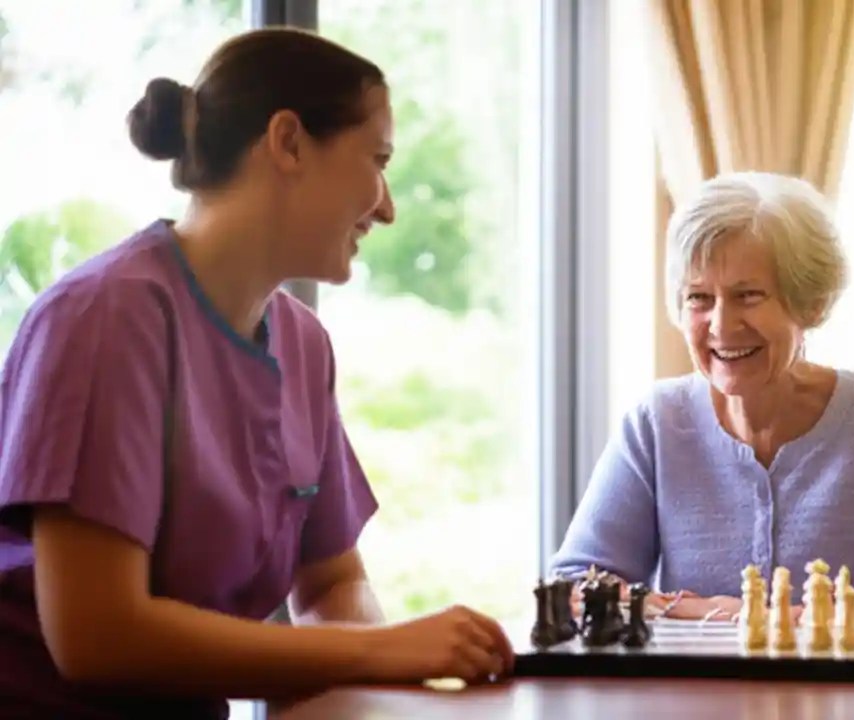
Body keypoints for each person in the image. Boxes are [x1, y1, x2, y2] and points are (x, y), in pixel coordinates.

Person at [0, 28, 511, 718]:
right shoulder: (103, 318)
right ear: (289, 142)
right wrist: (383, 650)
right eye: (377, 161)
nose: (388, 206)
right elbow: (96, 635)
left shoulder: (303, 345)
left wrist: (370, 676)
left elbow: (332, 583)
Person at [551, 171, 854, 636]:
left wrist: (809, 622)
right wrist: (718, 613)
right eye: (699, 298)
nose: (721, 325)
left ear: (808, 303)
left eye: (748, 296)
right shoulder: (655, 424)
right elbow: (572, 589)